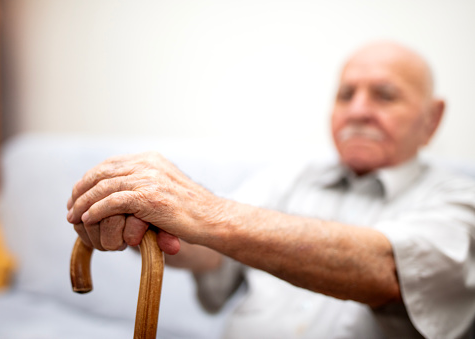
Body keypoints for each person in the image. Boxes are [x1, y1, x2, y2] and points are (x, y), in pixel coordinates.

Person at [66, 41, 475, 339]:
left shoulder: (459, 202)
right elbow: (210, 252)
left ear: (432, 118)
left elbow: (389, 270)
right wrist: (147, 216)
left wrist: (201, 211)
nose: (358, 110)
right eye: (345, 94)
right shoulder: (289, 177)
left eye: (384, 95)